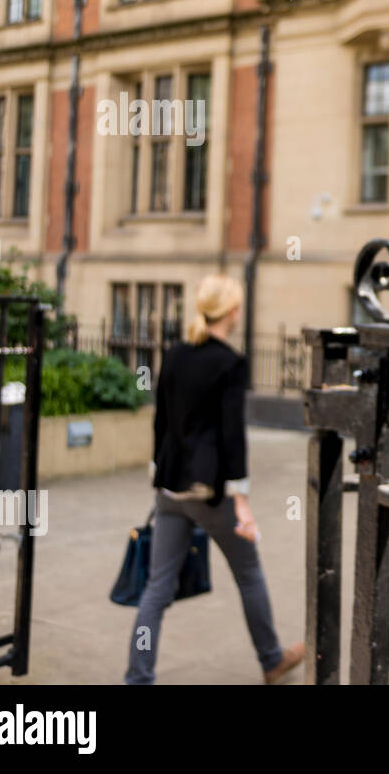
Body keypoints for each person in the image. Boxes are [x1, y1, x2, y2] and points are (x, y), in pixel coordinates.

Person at [125, 275, 303, 685]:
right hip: (210, 493)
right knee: (249, 574)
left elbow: (161, 420)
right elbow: (231, 435)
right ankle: (272, 660)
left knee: (156, 589)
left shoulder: (174, 354)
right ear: (232, 312)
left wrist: (157, 474)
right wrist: (241, 500)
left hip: (169, 488)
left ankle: (137, 677)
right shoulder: (230, 362)